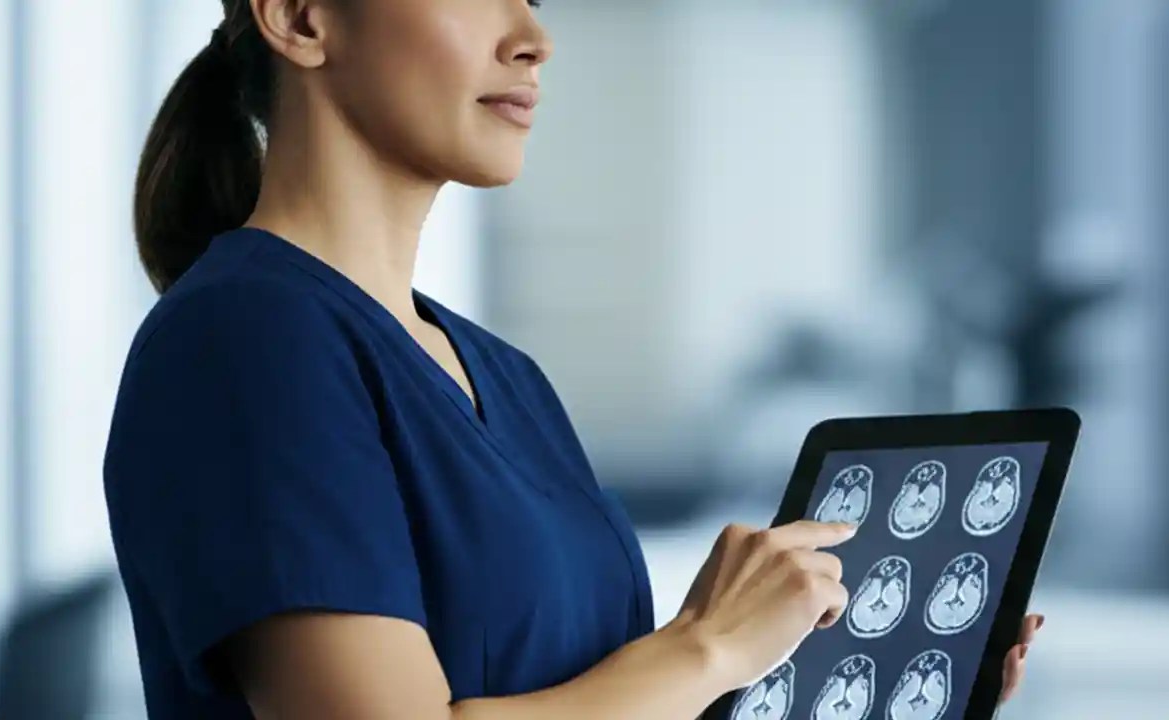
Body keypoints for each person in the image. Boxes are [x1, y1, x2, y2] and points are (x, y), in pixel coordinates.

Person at [102, 1, 1043, 718]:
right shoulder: (244, 337)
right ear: (300, 18)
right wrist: (706, 650)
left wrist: (792, 669)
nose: (532, 38)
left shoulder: (505, 375)